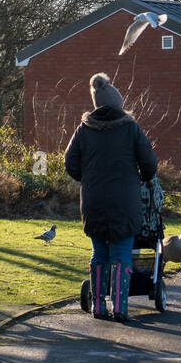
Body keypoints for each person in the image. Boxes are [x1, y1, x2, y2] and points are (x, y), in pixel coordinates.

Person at [64, 73, 157, 322]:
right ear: (117, 103)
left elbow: (69, 163)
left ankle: (98, 306)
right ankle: (120, 307)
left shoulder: (84, 129)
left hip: (93, 200)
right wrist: (142, 177)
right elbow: (149, 162)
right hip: (125, 199)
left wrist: (87, 179)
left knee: (99, 253)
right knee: (121, 253)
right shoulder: (130, 128)